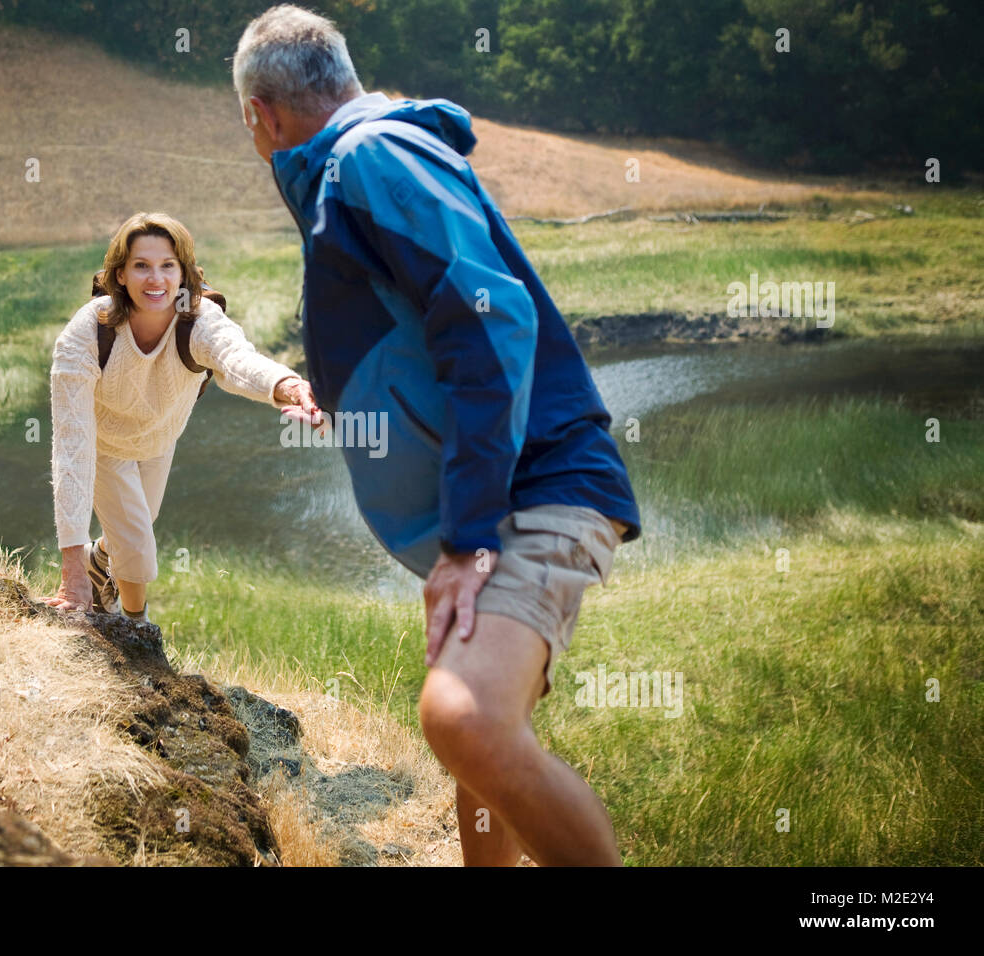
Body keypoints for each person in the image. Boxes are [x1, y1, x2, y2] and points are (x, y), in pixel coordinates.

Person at [232, 5, 642, 866]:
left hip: (536, 488)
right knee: (474, 739)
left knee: (463, 717)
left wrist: (465, 540)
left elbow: (491, 322)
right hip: (502, 496)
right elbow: (420, 338)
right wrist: (354, 405)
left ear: (260, 117)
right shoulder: (360, 164)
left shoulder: (368, 157)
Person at [44, 211, 319, 620]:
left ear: (184, 273)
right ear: (120, 275)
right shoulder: (89, 332)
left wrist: (290, 386)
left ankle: (98, 560)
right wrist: (69, 570)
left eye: (167, 266)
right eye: (141, 266)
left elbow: (238, 361)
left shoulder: (199, 320)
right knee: (137, 548)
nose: (155, 279)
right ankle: (137, 631)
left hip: (158, 440)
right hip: (104, 445)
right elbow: (72, 446)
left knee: (139, 523)